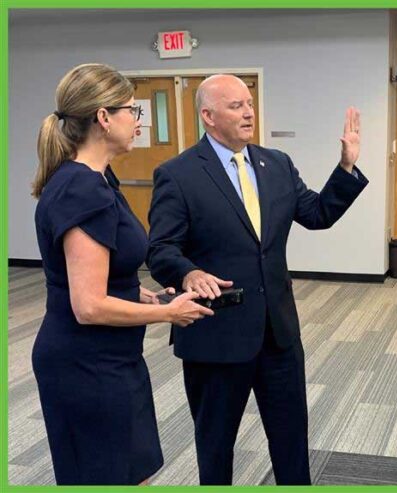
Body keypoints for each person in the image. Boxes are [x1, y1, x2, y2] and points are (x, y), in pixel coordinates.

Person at [147, 74, 368, 485]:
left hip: (277, 334)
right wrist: (188, 272)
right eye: (236, 106)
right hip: (216, 335)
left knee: (291, 441)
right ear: (208, 116)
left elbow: (318, 214)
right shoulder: (177, 174)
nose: (248, 112)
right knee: (215, 445)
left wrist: (346, 167)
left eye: (249, 103)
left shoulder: (276, 164)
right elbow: (160, 248)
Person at [31, 63, 213, 485]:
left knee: (130, 474)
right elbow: (89, 306)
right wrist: (169, 314)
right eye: (133, 110)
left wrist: (139, 294)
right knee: (107, 478)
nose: (137, 121)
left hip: (110, 356)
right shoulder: (81, 188)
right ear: (103, 117)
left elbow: (99, 277)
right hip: (85, 363)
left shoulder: (99, 180)